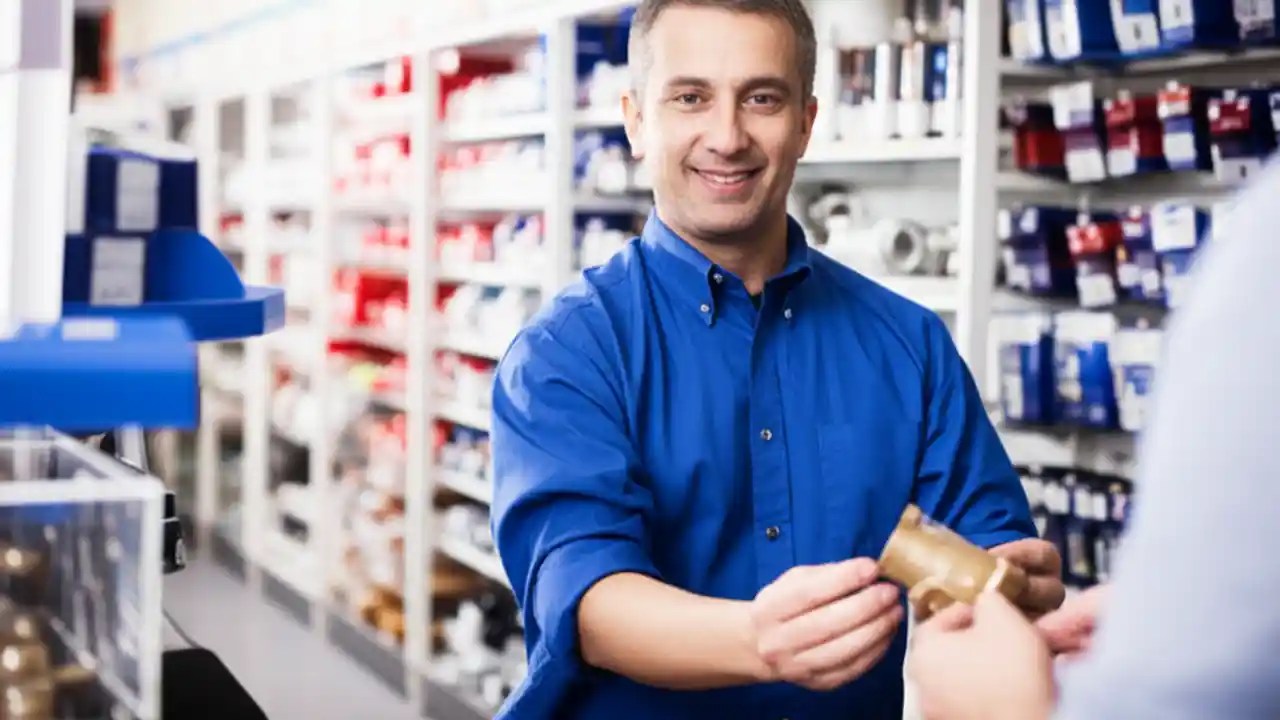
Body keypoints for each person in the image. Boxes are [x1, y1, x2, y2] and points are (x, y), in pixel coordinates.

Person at [488, 1, 1065, 718]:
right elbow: (584, 598)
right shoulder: (567, 351)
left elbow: (986, 550)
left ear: (805, 123)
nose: (727, 137)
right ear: (636, 121)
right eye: (691, 98)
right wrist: (756, 641)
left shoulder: (909, 344)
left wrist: (1014, 583)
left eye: (761, 98)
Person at [905, 160, 1280, 719]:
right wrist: (1154, 619)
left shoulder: (912, 341)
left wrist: (1006, 708)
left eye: (771, 109)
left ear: (806, 124)